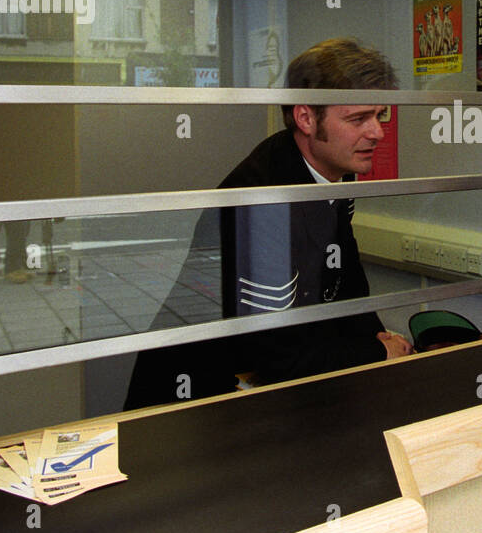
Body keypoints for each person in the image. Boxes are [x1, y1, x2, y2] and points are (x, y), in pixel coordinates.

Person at [124, 38, 411, 409]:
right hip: (192, 394)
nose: (377, 133)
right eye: (358, 119)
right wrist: (373, 351)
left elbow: (344, 275)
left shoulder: (336, 170)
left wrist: (375, 338)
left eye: (379, 115)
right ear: (306, 118)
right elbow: (277, 356)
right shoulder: (263, 197)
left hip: (262, 378)